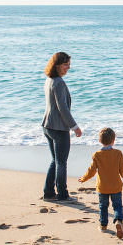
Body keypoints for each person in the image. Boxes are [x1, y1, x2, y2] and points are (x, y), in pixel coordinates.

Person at [41, 52, 82, 201]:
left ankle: (48, 192)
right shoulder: (58, 82)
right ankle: (63, 195)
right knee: (61, 162)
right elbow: (62, 108)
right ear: (57, 65)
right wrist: (74, 126)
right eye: (66, 65)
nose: (68, 68)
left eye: (69, 65)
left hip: (48, 126)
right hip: (58, 128)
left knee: (56, 160)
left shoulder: (49, 79)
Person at [78, 127, 123, 238]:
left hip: (102, 187)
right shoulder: (118, 153)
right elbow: (122, 168)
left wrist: (83, 178)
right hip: (116, 186)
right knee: (117, 206)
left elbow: (91, 170)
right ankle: (118, 221)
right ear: (113, 140)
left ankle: (103, 225)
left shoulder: (97, 155)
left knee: (103, 206)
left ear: (99, 141)